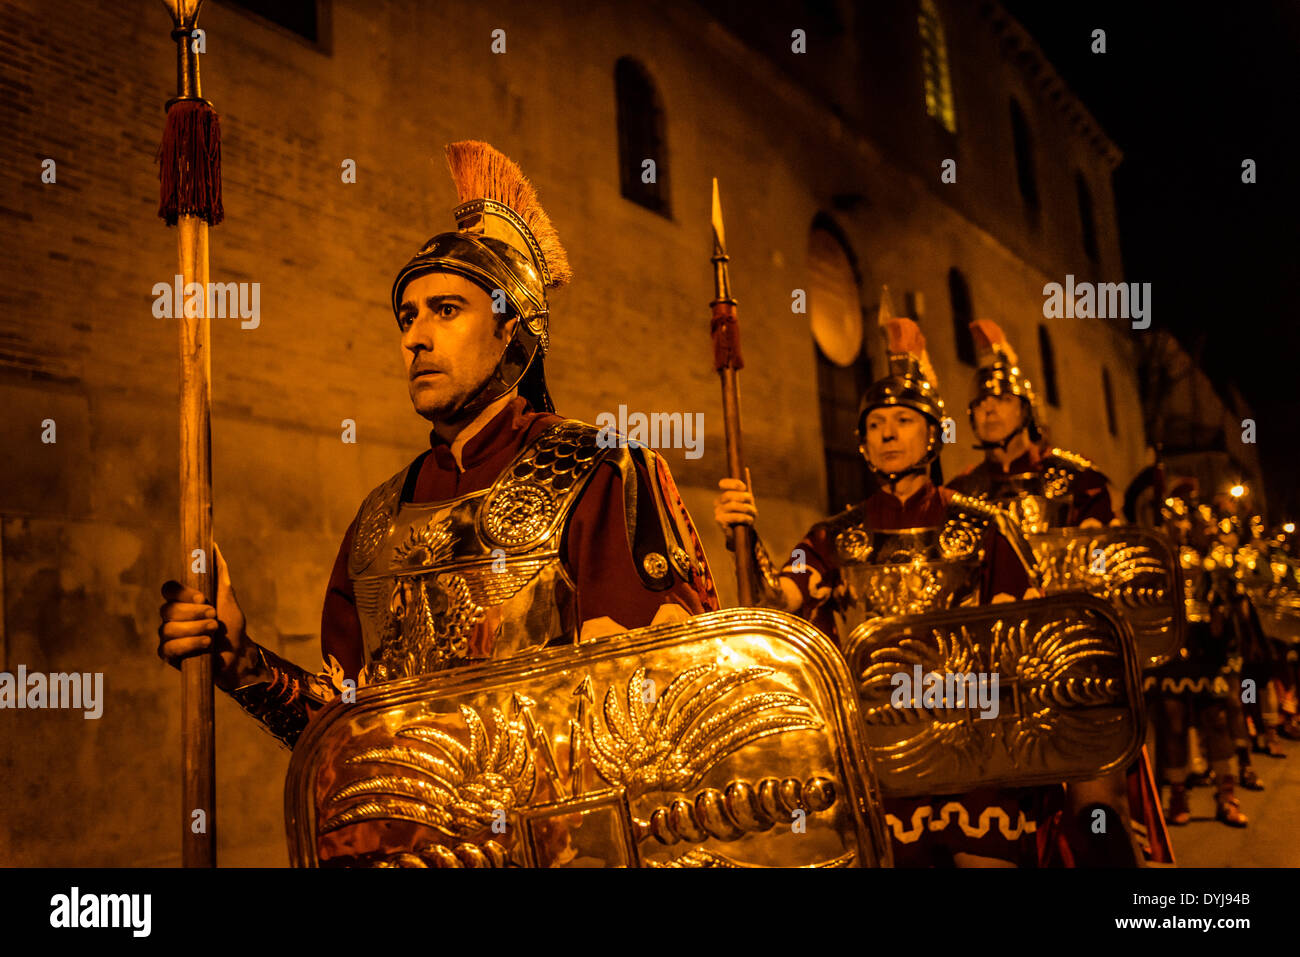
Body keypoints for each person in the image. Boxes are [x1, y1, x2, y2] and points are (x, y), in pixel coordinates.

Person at [157, 141, 716, 748]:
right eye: (406, 317)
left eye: (445, 310)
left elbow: (665, 713)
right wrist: (242, 665)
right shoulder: (378, 517)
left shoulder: (601, 472)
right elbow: (352, 737)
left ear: (511, 330)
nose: (416, 338)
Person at [714, 316, 1051, 867]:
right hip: (878, 753)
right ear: (864, 443)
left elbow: (1024, 640)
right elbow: (777, 607)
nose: (887, 434)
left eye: (902, 421)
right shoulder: (831, 537)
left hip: (978, 750)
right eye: (874, 425)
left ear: (933, 435)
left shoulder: (985, 527)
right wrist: (743, 537)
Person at [946, 319, 1162, 865]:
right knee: (981, 827)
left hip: (1076, 670)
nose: (989, 411)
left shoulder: (1078, 480)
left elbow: (1105, 566)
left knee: (1095, 815)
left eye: (1002, 400)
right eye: (980, 405)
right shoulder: (962, 493)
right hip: (993, 682)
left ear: (1028, 409)